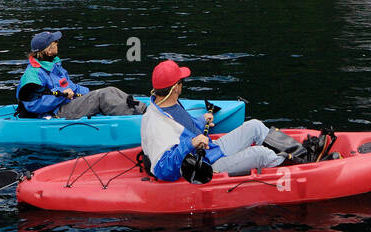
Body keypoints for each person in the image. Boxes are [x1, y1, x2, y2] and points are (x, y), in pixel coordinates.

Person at [141, 59, 282, 181]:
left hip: (211, 149)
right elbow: (162, 169)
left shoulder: (171, 104)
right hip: (205, 164)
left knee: (255, 125)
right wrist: (191, 143)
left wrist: (201, 122)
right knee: (261, 154)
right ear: (175, 88)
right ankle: (293, 168)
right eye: (181, 81)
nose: (182, 84)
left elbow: (185, 129)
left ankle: (288, 152)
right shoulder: (157, 124)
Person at [16, 31, 144, 119]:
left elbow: (71, 87)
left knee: (109, 90)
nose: (58, 45)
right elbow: (33, 104)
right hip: (57, 111)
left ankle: (143, 110)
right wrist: (60, 95)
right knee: (102, 96)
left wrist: (89, 94)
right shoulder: (33, 75)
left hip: (67, 103)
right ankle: (138, 118)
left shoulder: (55, 66)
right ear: (48, 50)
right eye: (55, 44)